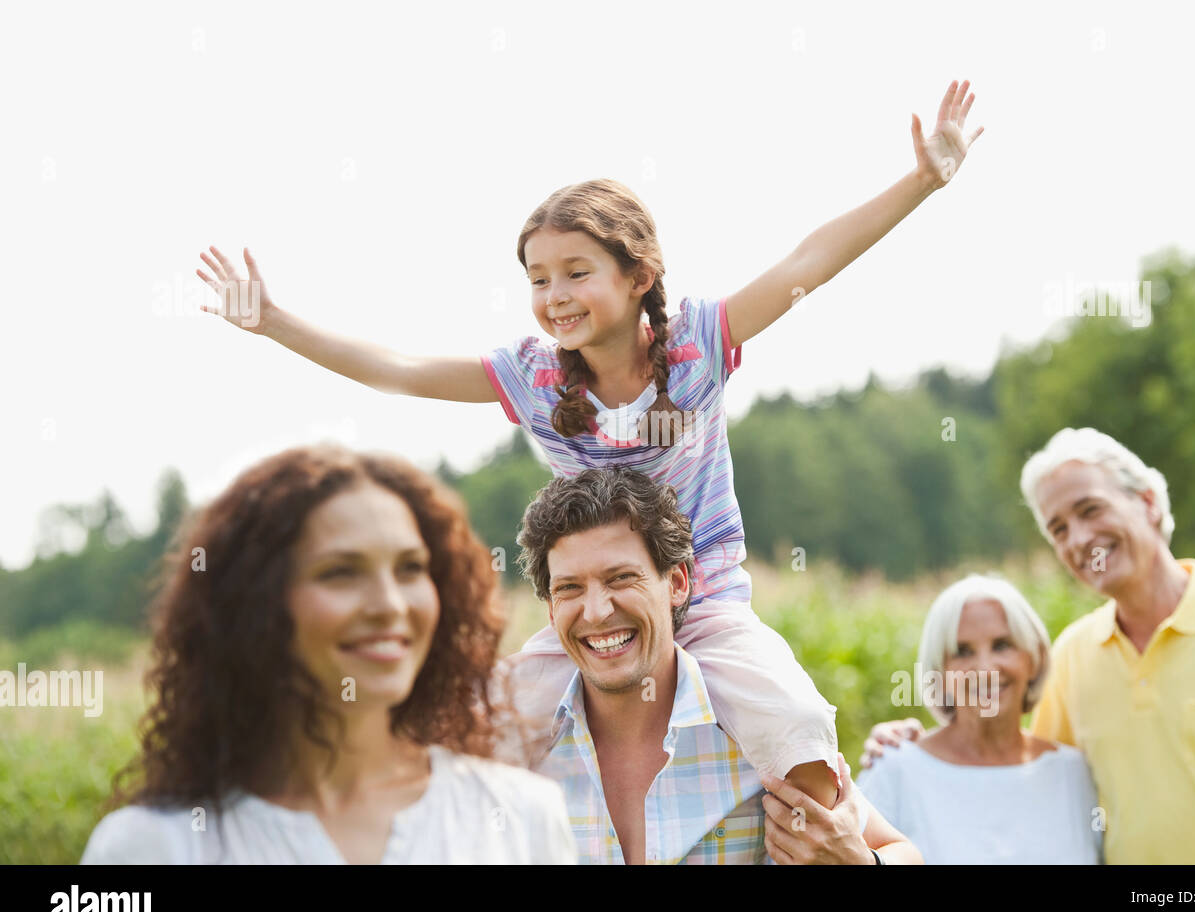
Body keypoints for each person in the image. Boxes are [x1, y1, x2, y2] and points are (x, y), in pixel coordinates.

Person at [196, 81, 985, 809]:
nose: (555, 297)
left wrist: (921, 180)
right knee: (483, 728)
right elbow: (399, 372)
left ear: (639, 273)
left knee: (794, 716)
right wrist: (274, 321)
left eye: (576, 273)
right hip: (593, 606)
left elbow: (809, 262)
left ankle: (836, 842)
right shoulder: (535, 379)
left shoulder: (698, 345)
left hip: (706, 604)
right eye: (539, 279)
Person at [81, 445, 576, 864]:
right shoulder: (153, 845)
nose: (389, 605)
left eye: (409, 568)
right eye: (341, 572)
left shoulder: (521, 818)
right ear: (256, 603)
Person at [861, 427, 1195, 864]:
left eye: (1091, 510)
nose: (1079, 539)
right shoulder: (1074, 655)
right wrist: (914, 744)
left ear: (1146, 502)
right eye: (1059, 529)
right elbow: (1021, 773)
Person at [509, 467, 921, 864]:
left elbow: (902, 852)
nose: (596, 612)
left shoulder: (759, 731)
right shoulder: (518, 753)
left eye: (620, 578)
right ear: (550, 609)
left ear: (677, 583)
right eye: (569, 588)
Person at [854, 574, 1102, 864]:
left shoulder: (1075, 774)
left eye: (1001, 645)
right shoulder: (893, 770)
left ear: (1033, 659)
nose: (984, 669)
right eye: (962, 652)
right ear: (940, 673)